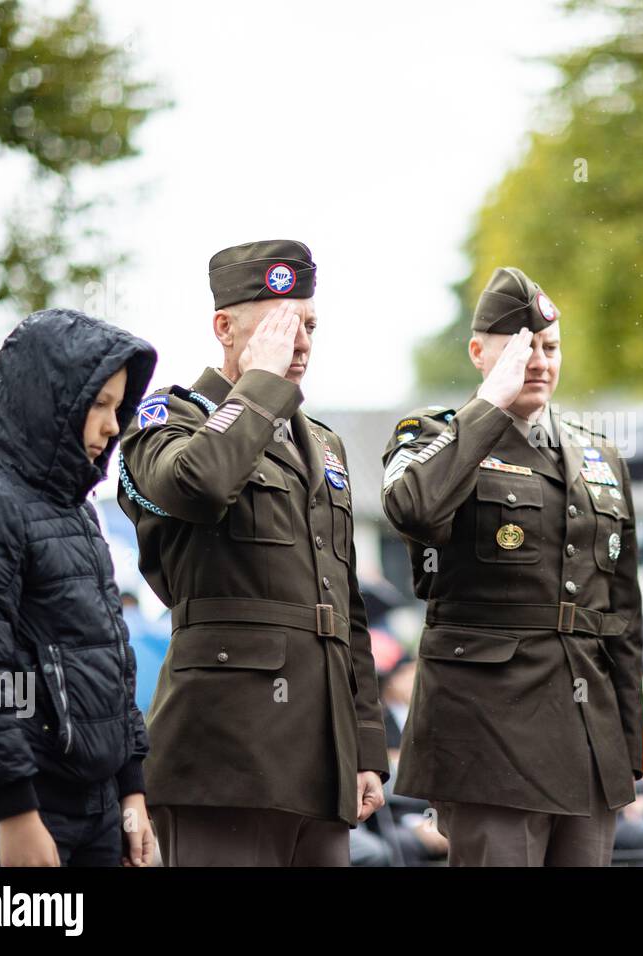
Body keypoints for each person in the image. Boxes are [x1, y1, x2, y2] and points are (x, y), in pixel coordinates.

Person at [117, 239, 389, 866]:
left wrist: (364, 747)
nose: (299, 344)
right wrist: (261, 386)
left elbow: (343, 610)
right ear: (224, 328)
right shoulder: (166, 419)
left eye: (310, 325)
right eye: (280, 325)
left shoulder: (322, 444)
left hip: (321, 754)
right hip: (227, 748)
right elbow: (200, 484)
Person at [380, 266, 643, 866]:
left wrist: (626, 745)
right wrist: (489, 406)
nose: (539, 363)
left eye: (550, 348)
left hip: (587, 733)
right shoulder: (435, 435)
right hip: (489, 732)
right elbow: (413, 509)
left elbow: (621, 614)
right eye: (520, 351)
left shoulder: (598, 454)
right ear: (478, 354)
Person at [0, 308, 157, 867]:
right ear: (50, 403)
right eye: (98, 404)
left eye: (117, 406)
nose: (112, 425)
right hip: (9, 812)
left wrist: (131, 792)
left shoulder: (81, 514)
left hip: (97, 808)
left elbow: (113, 661)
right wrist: (16, 813)